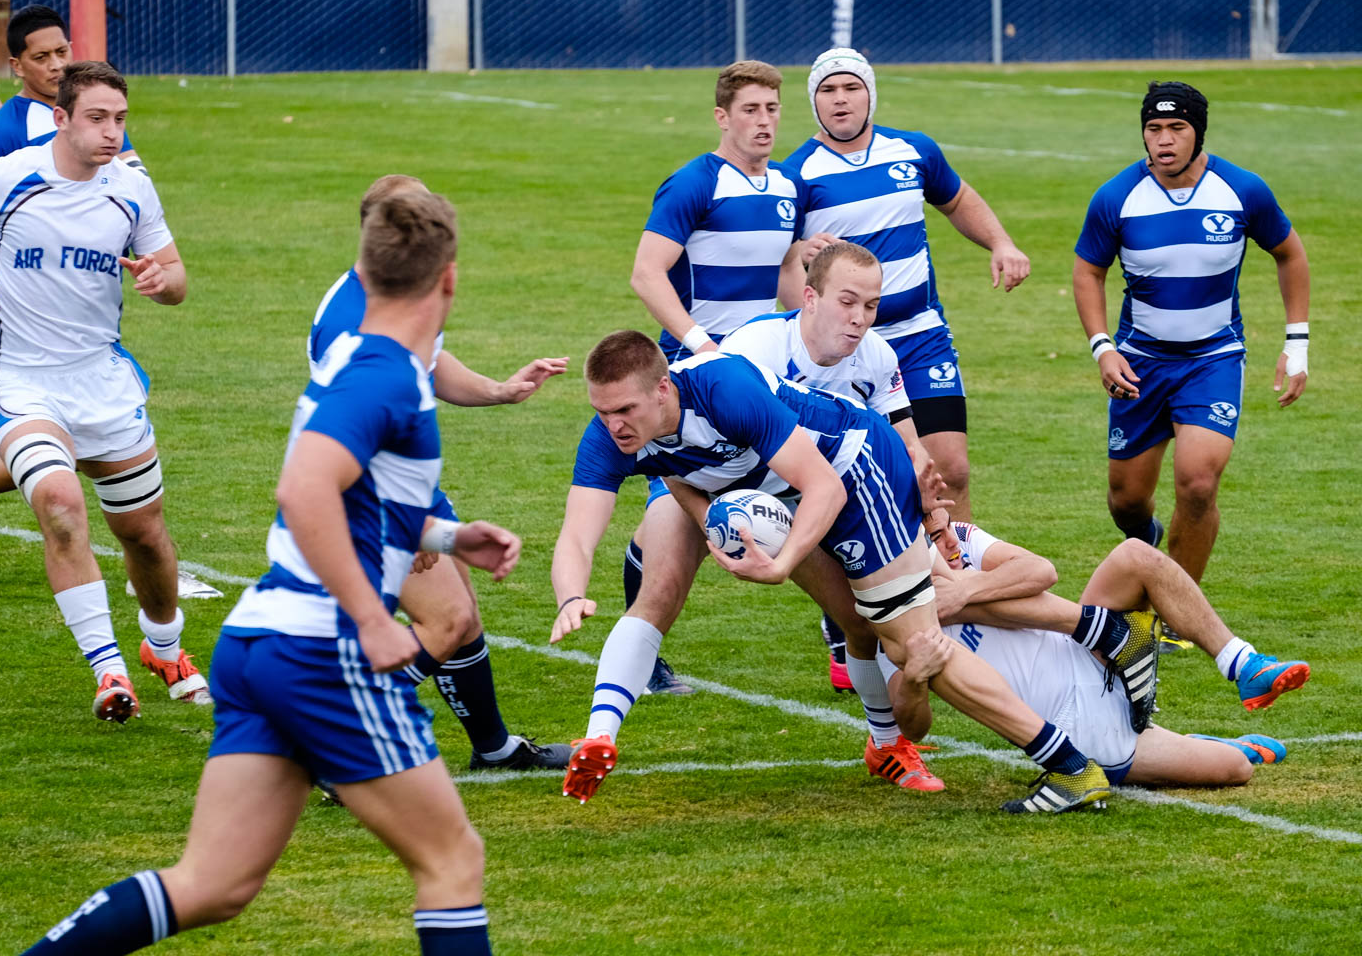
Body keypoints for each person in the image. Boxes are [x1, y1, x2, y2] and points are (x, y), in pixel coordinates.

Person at [16, 187, 509, 956]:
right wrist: (377, 621)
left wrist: (445, 536)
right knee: (453, 859)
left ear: (363, 270)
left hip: (259, 641)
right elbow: (304, 489)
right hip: (323, 650)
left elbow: (353, 497)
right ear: (448, 280)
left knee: (213, 886)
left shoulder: (364, 358)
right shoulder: (382, 374)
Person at [557, 330, 1117, 813]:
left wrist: (780, 567)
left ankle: (1071, 765)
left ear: (663, 389)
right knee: (853, 618)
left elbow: (823, 485)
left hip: (856, 468)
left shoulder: (723, 389)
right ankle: (884, 744)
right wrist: (570, 597)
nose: (613, 425)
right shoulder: (612, 434)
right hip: (777, 491)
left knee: (912, 643)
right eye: (601, 411)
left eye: (624, 410)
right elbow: (579, 532)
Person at [0, 62, 208, 720]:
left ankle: (163, 647)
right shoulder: (5, 177)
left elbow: (176, 273)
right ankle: (109, 673)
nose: (113, 132)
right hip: (20, 383)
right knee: (58, 501)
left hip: (103, 385)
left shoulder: (132, 190)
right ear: (61, 119)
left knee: (144, 534)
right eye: (98, 119)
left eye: (121, 119)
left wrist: (165, 284)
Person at [308, 173, 571, 772]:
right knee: (446, 620)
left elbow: (428, 361)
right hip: (372, 496)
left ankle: (494, 748)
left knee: (463, 617)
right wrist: (412, 523)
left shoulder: (399, 293)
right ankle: (337, 743)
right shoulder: (354, 326)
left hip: (403, 486)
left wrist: (500, 390)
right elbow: (345, 441)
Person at [618, 59, 813, 697]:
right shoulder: (694, 184)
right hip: (690, 377)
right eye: (751, 111)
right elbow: (646, 274)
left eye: (772, 110)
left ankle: (849, 640)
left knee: (807, 489)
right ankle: (641, 654)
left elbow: (780, 277)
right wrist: (700, 343)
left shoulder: (785, 187)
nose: (764, 122)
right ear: (722, 117)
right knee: (671, 524)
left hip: (761, 374)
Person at [717, 240, 942, 788]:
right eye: (848, 302)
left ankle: (887, 744)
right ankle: (604, 727)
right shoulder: (753, 348)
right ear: (810, 297)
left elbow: (909, 451)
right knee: (658, 589)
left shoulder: (879, 357)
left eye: (871, 305)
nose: (861, 318)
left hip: (849, 504)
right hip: (757, 498)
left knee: (869, 624)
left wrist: (934, 517)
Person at [883, 513, 1309, 797]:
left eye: (947, 525)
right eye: (936, 537)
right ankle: (1202, 744)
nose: (952, 542)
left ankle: (1242, 663)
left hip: (1092, 652)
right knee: (1235, 769)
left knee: (1136, 555)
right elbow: (914, 727)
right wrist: (916, 679)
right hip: (1076, 727)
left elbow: (1042, 572)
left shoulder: (963, 539)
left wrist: (965, 588)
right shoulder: (893, 607)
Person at [1074, 81, 1311, 584]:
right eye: (1154, 128)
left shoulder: (1243, 190)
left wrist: (1297, 344)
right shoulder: (1116, 197)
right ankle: (1147, 541)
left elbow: (1290, 253)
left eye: (1177, 128)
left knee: (1198, 483)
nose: (1164, 140)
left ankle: (1176, 616)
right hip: (1139, 363)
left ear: (1198, 132)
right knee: (1126, 501)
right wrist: (1102, 349)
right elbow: (1087, 272)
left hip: (1213, 359)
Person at [780, 48, 1029, 523]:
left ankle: (964, 584)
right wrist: (801, 255)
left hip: (921, 338)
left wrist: (1001, 243)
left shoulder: (913, 151)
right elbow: (782, 264)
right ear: (814, 102)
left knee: (950, 470)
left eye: (852, 87)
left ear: (870, 95)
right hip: (847, 348)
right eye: (828, 90)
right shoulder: (796, 175)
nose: (840, 100)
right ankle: (865, 594)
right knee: (866, 481)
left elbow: (957, 201)